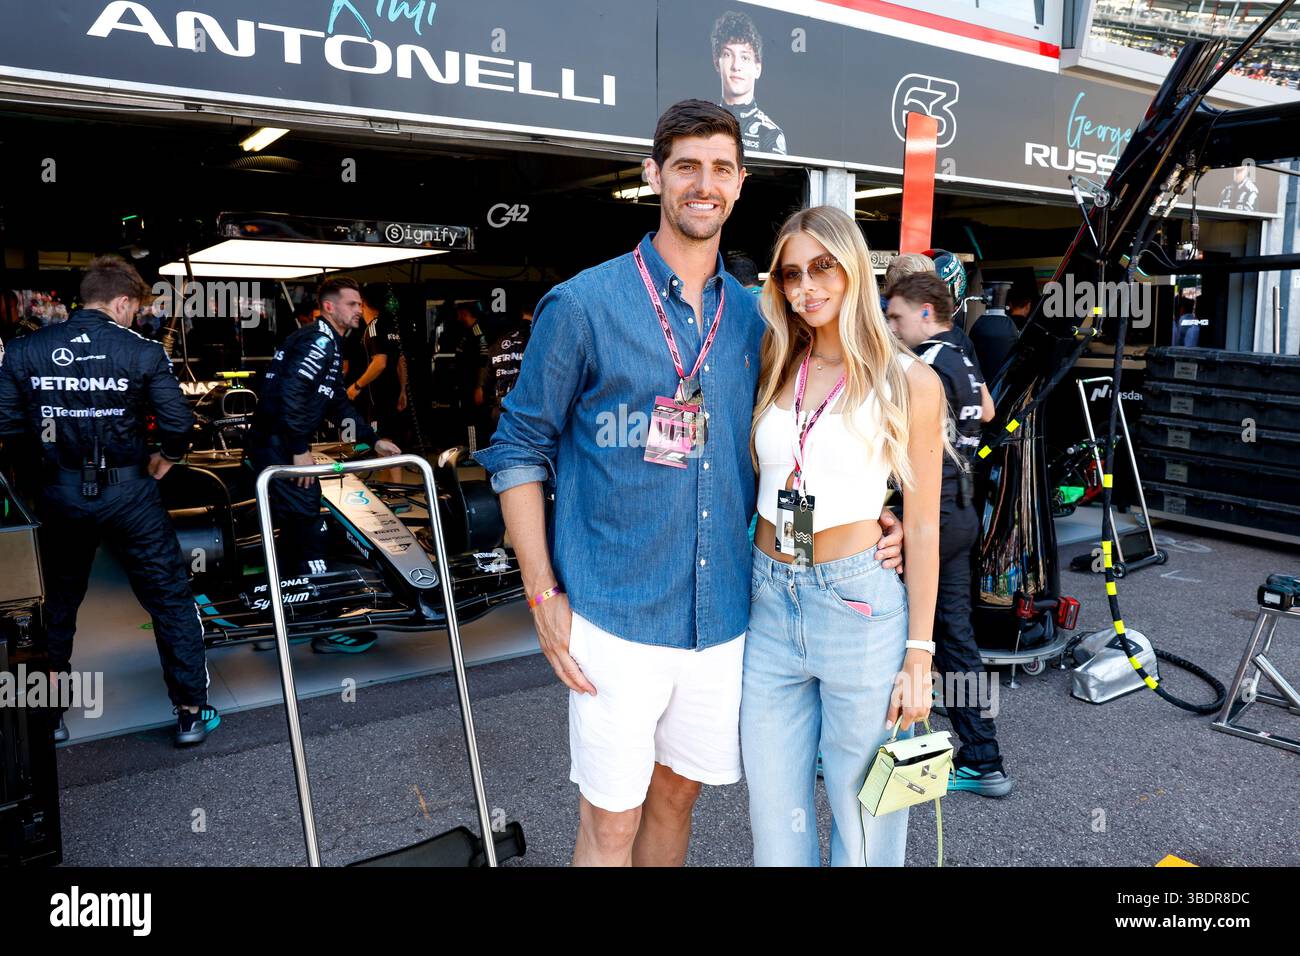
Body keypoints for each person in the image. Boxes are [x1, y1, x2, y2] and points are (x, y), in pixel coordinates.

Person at [476, 99, 905, 867]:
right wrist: (541, 596)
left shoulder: (758, 322)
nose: (702, 184)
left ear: (738, 185)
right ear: (654, 177)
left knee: (678, 800)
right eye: (685, 167)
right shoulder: (583, 306)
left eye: (720, 169)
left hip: (723, 624)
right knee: (610, 821)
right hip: (613, 616)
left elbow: (819, 429)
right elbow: (517, 448)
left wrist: (885, 514)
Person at [744, 206, 943, 866]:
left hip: (858, 605)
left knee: (865, 832)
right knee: (776, 830)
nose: (807, 286)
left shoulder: (910, 380)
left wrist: (920, 654)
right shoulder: (775, 362)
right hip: (768, 602)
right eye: (792, 274)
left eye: (823, 267)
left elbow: (920, 521)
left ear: (855, 267)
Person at [0, 256, 218, 747]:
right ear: (121, 302)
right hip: (130, 492)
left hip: (61, 491)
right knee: (168, 596)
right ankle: (188, 712)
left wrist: (44, 479)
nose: (134, 318)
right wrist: (166, 458)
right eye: (133, 309)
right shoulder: (142, 352)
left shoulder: (23, 350)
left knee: (54, 605)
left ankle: (49, 718)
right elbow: (179, 424)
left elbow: (8, 427)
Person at [885, 270, 1014, 798]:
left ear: (924, 313)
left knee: (897, 629)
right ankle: (983, 759)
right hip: (962, 510)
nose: (890, 326)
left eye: (895, 316)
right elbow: (986, 410)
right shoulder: (960, 353)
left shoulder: (920, 366)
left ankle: (887, 752)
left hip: (928, 513)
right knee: (955, 639)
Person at [246, 277, 400, 652]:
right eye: (351, 304)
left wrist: (372, 440)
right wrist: (299, 448)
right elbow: (290, 393)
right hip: (279, 448)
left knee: (293, 531)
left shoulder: (327, 343)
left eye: (360, 305)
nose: (358, 311)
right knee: (309, 527)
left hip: (274, 445)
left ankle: (280, 623)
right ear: (329, 307)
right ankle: (326, 626)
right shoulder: (319, 340)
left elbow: (337, 404)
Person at [712, 10, 786, 155]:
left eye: (744, 57)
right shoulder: (703, 123)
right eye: (728, 55)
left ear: (757, 69)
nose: (736, 66)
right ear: (717, 63)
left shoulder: (770, 133)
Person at [345, 284, 404, 439]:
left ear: (363, 303)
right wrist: (403, 390)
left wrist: (357, 386)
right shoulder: (392, 326)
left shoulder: (374, 327)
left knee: (381, 444)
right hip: (393, 392)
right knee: (390, 442)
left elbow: (380, 362)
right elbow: (401, 361)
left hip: (378, 395)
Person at [485, 301, 533, 433]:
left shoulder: (499, 342)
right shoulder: (539, 339)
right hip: (527, 412)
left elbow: (487, 381)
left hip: (500, 411)